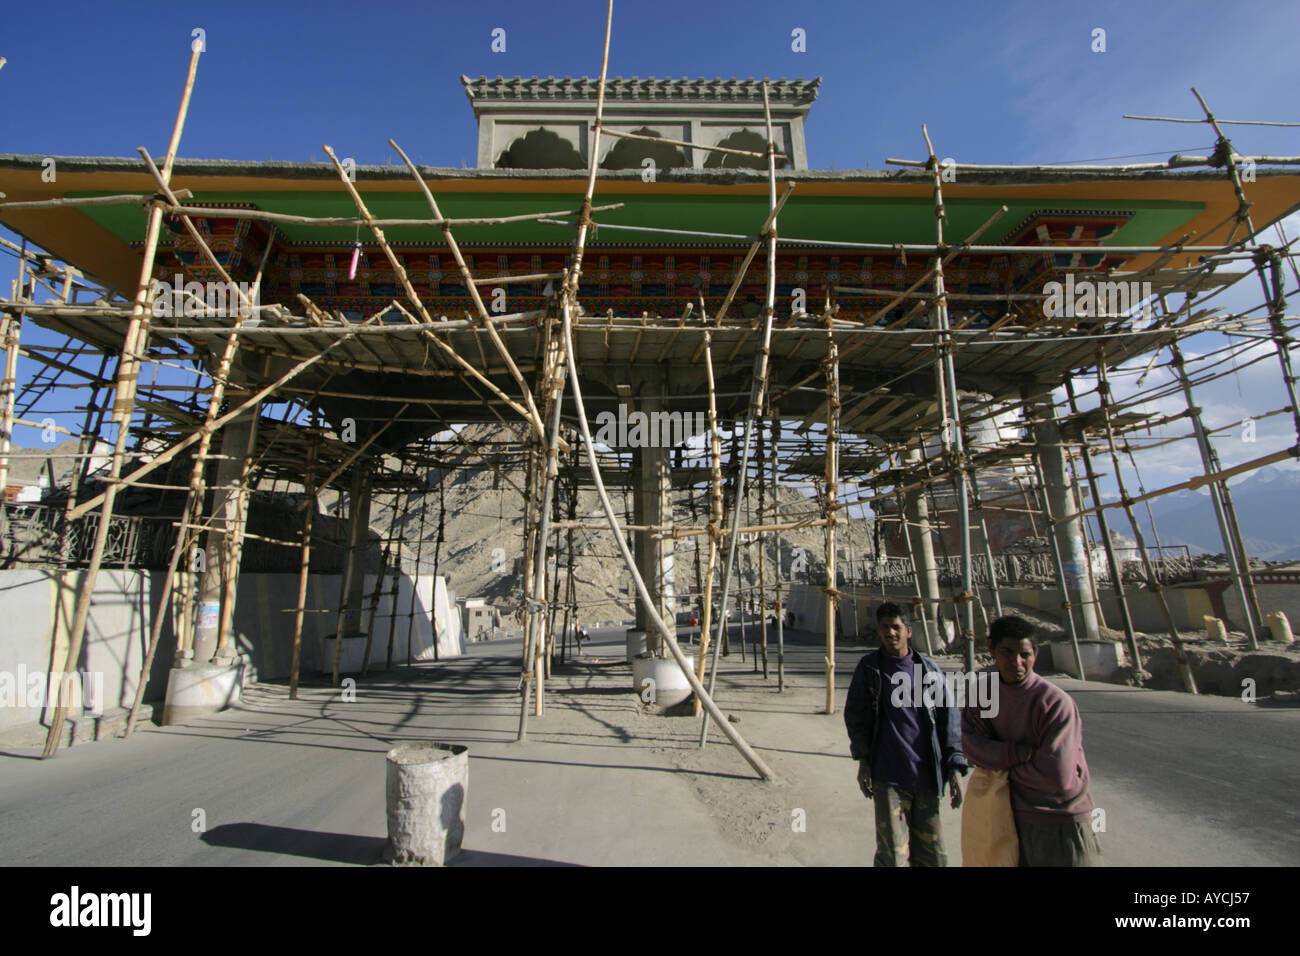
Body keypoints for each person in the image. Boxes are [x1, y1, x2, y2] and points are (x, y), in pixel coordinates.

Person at [961, 615, 1103, 867]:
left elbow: (1055, 776)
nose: (1016, 662)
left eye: (1024, 654)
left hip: (1062, 823)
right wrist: (1018, 754)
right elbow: (971, 747)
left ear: (1035, 654)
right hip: (1009, 819)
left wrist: (999, 770)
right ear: (991, 648)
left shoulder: (1054, 703)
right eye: (1007, 652)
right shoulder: (984, 693)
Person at [844, 601, 968, 866]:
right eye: (885, 627)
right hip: (888, 778)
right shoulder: (869, 670)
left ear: (908, 631)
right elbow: (857, 718)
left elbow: (949, 720)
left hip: (926, 777)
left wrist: (955, 768)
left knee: (933, 856)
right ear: (878, 630)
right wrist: (863, 762)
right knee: (893, 856)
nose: (891, 633)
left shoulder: (929, 671)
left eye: (896, 627)